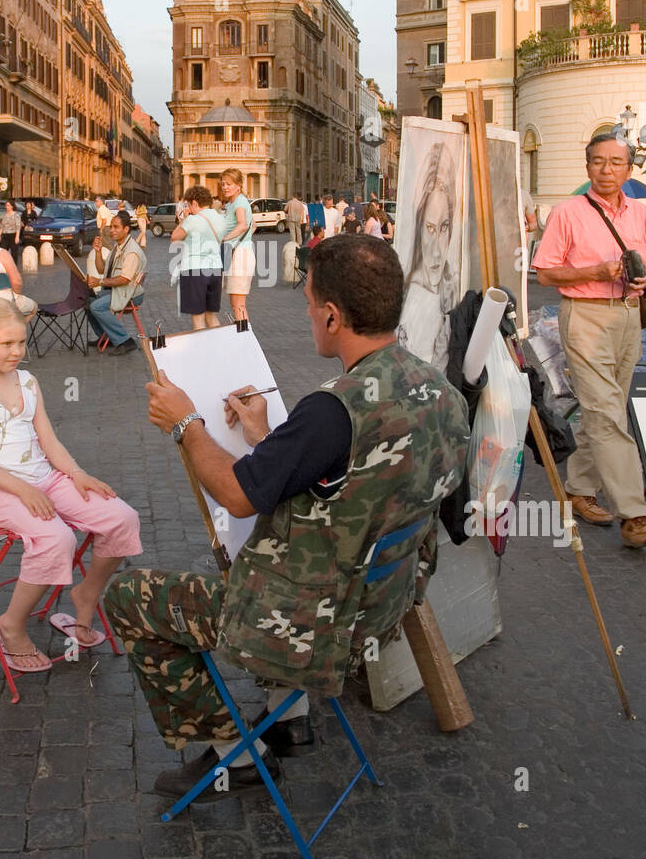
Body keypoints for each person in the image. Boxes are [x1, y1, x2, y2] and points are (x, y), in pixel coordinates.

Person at [104, 236, 470, 798]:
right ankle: (287, 715)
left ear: (332, 314)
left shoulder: (331, 408)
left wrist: (186, 423)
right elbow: (362, 486)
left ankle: (234, 755)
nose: (306, 314)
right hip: (381, 606)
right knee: (261, 553)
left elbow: (236, 494)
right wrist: (266, 438)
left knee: (128, 597)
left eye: (307, 303)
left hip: (312, 624)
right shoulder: (442, 392)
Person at [0, 299, 142, 668]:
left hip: (46, 479)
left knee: (122, 517)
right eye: (7, 344)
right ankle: (11, 626)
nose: (17, 352)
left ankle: (86, 595)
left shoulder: (27, 380)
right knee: (57, 538)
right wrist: (23, 490)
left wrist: (78, 474)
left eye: (21, 343)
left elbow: (49, 441)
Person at [533, 133, 646, 548]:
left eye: (615, 163)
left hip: (628, 317)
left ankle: (579, 489)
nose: (606, 170)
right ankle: (635, 515)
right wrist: (597, 272)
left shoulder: (640, 214)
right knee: (606, 412)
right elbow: (546, 273)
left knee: (606, 408)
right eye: (598, 162)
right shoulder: (568, 213)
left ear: (628, 168)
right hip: (584, 317)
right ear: (587, 167)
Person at [397, 141, 458, 372]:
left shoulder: (451, 286)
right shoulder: (412, 296)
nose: (436, 250)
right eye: (430, 228)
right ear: (419, 228)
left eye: (443, 228)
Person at [87, 210, 147, 355]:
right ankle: (106, 336)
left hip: (131, 294)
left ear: (126, 229)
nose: (111, 230)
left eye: (116, 227)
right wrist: (98, 251)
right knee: (87, 301)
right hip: (118, 290)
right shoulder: (117, 247)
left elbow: (124, 279)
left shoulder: (132, 251)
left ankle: (125, 341)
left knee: (97, 306)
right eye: (111, 226)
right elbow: (102, 269)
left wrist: (99, 282)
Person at [171, 186, 225, 331]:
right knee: (210, 315)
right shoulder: (221, 218)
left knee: (198, 317)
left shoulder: (193, 220)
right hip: (215, 269)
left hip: (194, 270)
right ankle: (221, 346)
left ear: (195, 203)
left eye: (189, 204)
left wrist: (183, 219)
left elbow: (174, 238)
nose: (189, 207)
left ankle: (203, 352)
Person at [220, 168, 255, 322]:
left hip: (240, 255)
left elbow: (243, 225)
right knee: (236, 303)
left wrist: (225, 239)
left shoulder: (239, 202)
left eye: (229, 184)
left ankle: (246, 339)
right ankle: (244, 337)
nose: (225, 187)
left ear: (239, 185)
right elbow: (253, 225)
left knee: (238, 304)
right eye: (223, 184)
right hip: (240, 253)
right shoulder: (234, 203)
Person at [0, 199, 22, 264]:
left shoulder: (16, 215)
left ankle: (14, 266)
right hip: (5, 235)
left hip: (13, 235)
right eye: (6, 205)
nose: (6, 207)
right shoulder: (5, 215)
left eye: (8, 205)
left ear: (12, 206)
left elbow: (18, 226)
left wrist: (17, 237)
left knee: (14, 253)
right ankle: (4, 265)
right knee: (3, 251)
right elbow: (2, 226)